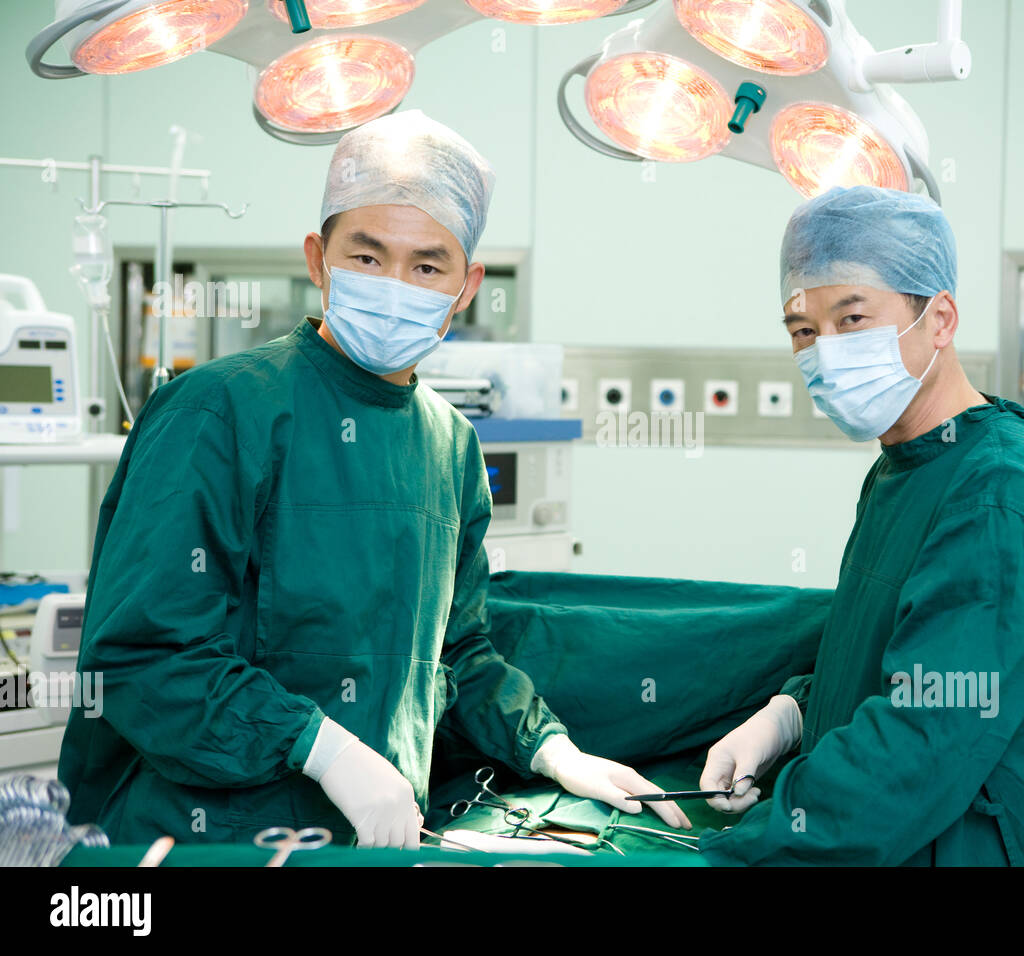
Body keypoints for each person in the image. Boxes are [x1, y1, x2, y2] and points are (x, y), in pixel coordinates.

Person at [59, 110, 687, 848]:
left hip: (373, 842)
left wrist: (553, 750)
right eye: (367, 256)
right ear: (318, 259)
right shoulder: (220, 412)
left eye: (427, 265)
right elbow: (143, 657)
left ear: (466, 286)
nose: (396, 284)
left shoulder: (450, 446)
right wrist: (321, 749)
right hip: (201, 838)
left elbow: (458, 655)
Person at [695, 186, 1024, 865]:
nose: (824, 351)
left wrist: (737, 852)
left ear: (940, 318)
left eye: (852, 319)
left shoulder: (1001, 489)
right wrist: (792, 714)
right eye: (803, 330)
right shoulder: (905, 467)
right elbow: (888, 654)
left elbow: (925, 738)